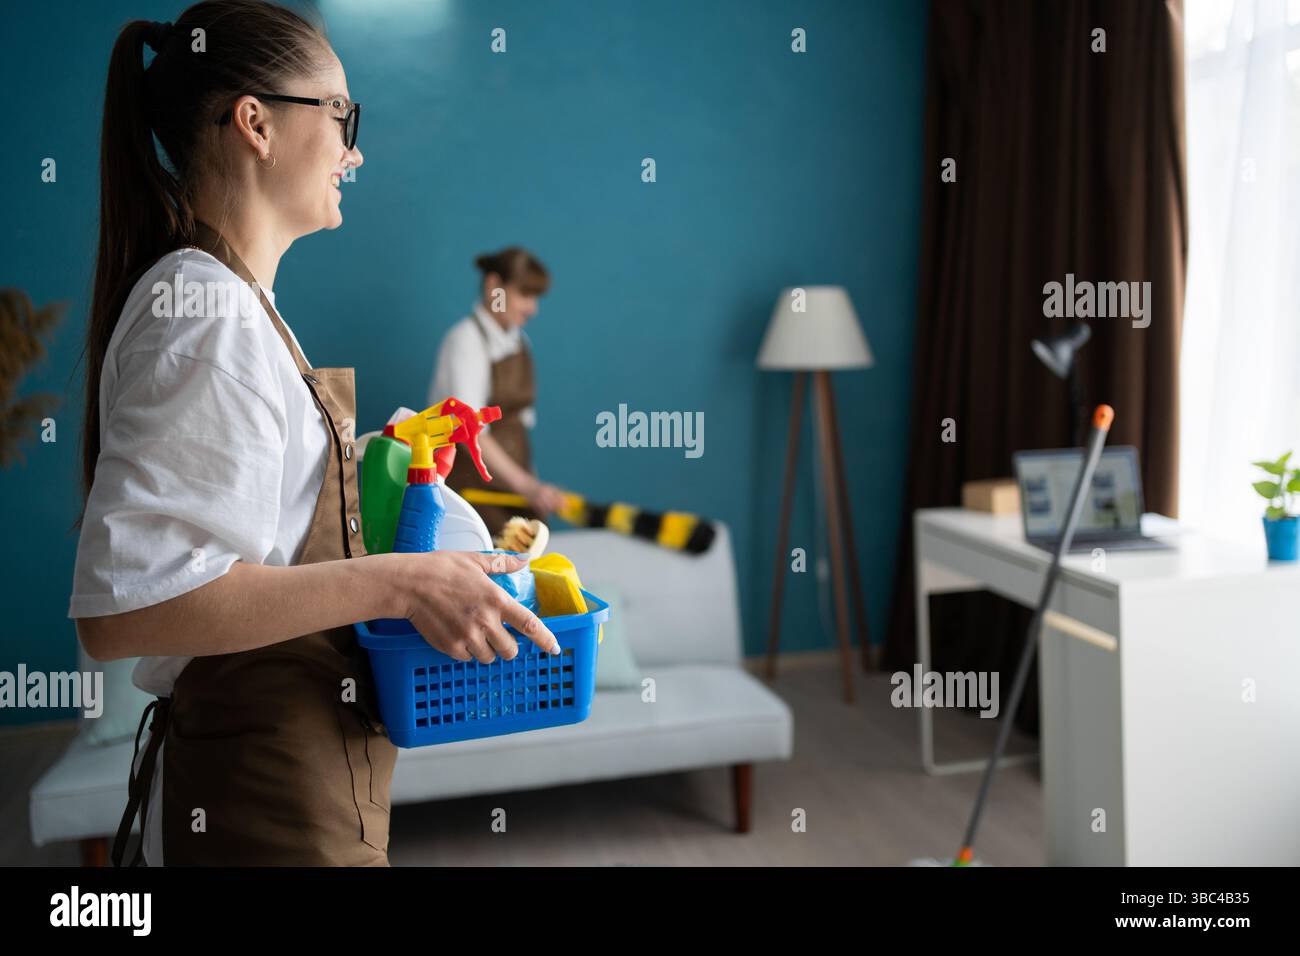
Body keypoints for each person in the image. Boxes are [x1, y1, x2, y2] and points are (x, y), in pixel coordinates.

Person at [69, 0, 556, 867]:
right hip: (260, 799)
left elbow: (264, 530)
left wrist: (377, 463)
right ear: (254, 122)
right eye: (340, 113)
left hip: (301, 777)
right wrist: (401, 584)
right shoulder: (206, 312)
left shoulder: (240, 307)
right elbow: (126, 609)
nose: (353, 149)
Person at [429, 247, 567, 537]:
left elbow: (519, 429)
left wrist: (534, 487)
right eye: (524, 295)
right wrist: (528, 487)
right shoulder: (464, 342)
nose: (533, 308)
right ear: (494, 287)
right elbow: (471, 433)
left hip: (513, 488)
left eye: (535, 297)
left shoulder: (519, 343)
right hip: (470, 492)